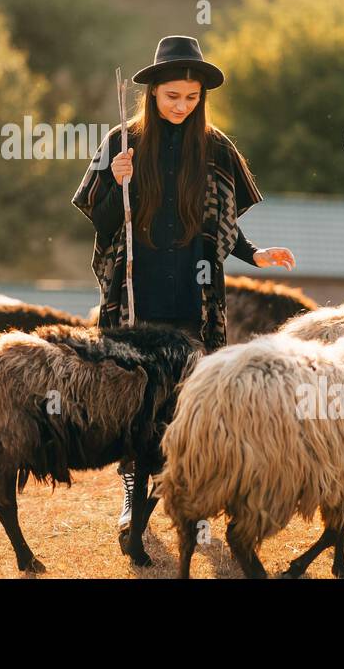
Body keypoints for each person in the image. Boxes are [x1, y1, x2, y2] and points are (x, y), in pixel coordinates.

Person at [72, 35, 295, 535]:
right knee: (136, 402)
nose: (182, 106)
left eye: (192, 98)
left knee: (190, 402)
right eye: (173, 96)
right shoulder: (119, 144)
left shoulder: (216, 148)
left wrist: (255, 254)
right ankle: (134, 497)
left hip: (195, 300)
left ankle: (188, 501)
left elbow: (221, 223)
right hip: (135, 296)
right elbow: (102, 224)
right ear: (152, 92)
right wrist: (116, 181)